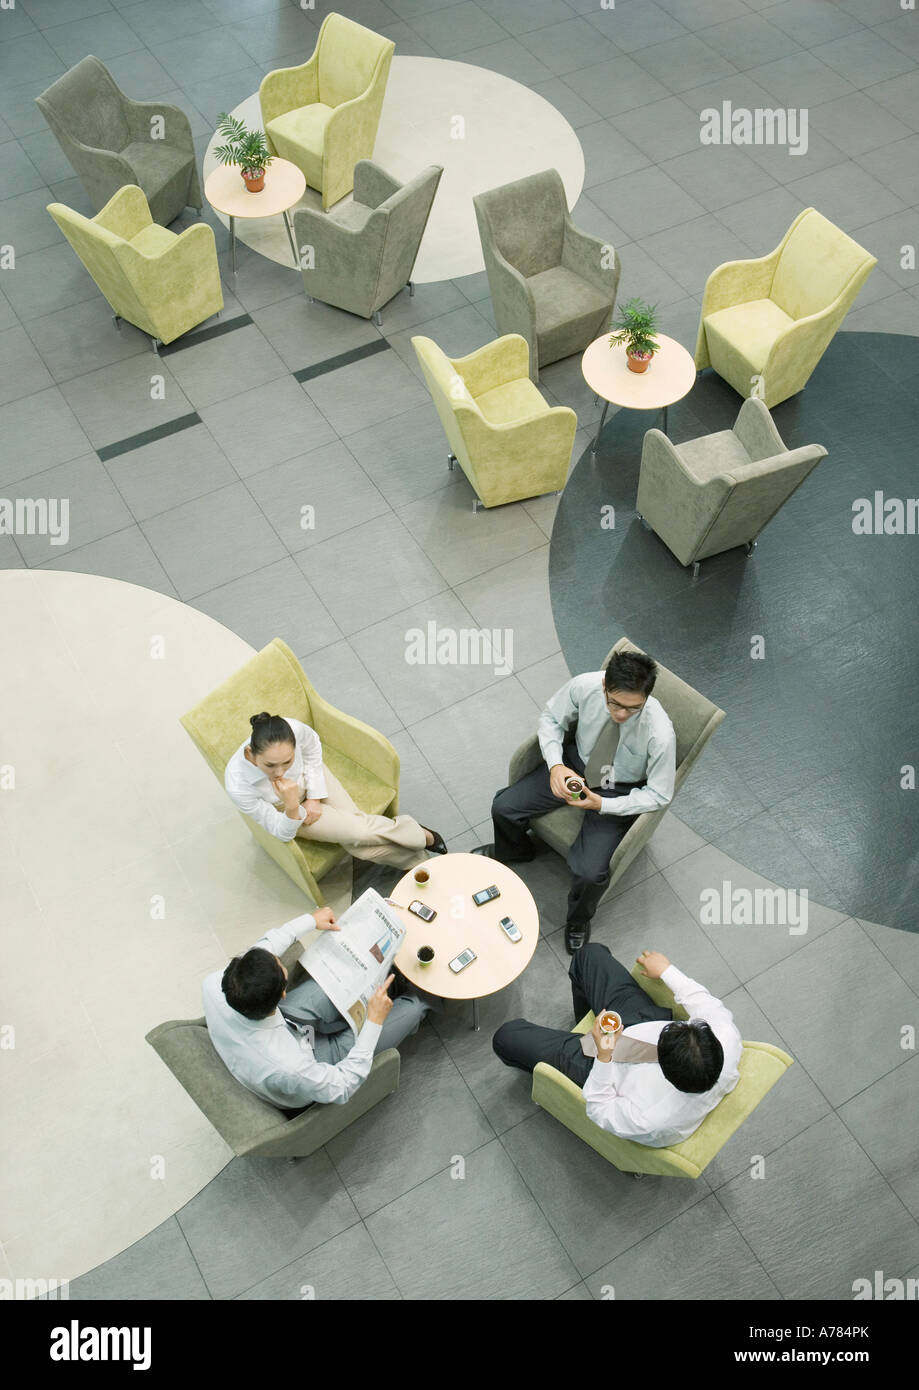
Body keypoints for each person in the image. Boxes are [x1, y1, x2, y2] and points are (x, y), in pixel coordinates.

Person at [475, 650, 675, 953]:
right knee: (504, 806)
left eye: (633, 708)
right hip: (574, 764)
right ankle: (516, 851)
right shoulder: (584, 686)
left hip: (617, 787)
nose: (621, 714)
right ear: (605, 686)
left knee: (590, 872)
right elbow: (551, 719)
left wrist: (601, 805)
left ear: (646, 698)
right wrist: (556, 765)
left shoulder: (660, 734)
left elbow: (659, 794)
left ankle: (579, 920)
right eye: (615, 703)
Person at [493, 945, 742, 1147]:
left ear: (664, 1067)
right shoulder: (724, 1036)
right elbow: (704, 1003)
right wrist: (667, 970)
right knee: (588, 955)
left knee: (507, 1037)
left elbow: (600, 1108)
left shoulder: (649, 1119)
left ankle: (561, 1062)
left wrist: (604, 1054)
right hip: (641, 1023)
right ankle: (585, 1018)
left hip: (606, 1068)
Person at [203, 906, 436, 1110]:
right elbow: (343, 1086)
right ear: (282, 994)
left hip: (285, 1024)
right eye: (281, 968)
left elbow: (265, 947)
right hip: (311, 1059)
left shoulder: (217, 983)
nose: (277, 958)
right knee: (413, 1009)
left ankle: (384, 983)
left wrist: (311, 920)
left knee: (341, 979)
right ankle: (424, 997)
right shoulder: (291, 1067)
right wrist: (374, 1022)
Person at [225, 711, 447, 870]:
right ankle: (422, 844)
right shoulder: (238, 785)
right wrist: (292, 805)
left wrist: (314, 795)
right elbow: (280, 831)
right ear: (250, 754)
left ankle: (424, 861)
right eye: (270, 766)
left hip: (312, 778)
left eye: (287, 761)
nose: (280, 771)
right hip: (287, 809)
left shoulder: (293, 729)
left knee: (360, 841)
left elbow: (312, 751)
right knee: (360, 840)